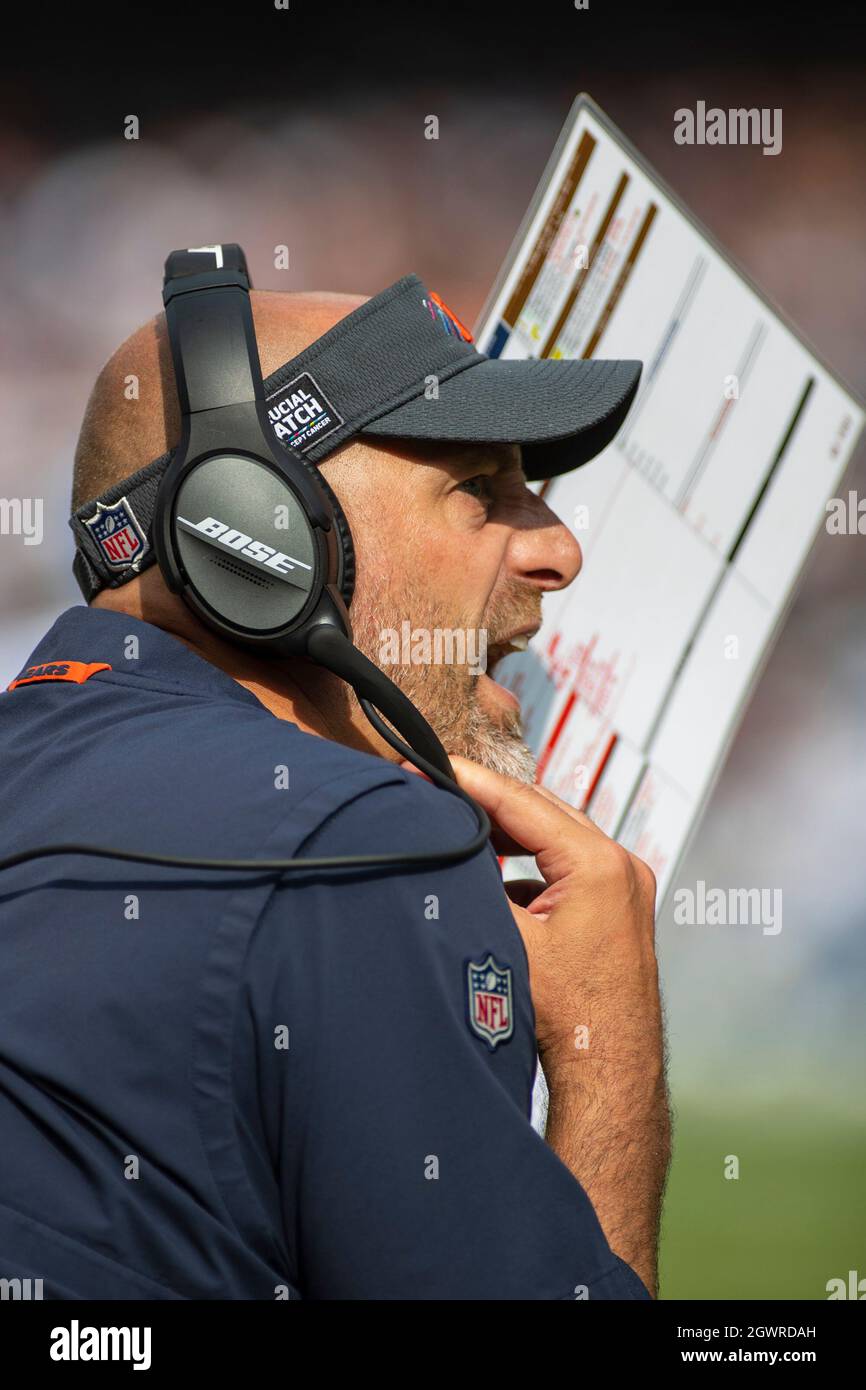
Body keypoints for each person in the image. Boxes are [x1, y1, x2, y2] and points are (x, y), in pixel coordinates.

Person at [0, 272, 669, 1299]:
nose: (557, 549)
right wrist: (605, 1047)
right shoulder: (359, 845)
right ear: (255, 533)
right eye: (479, 489)